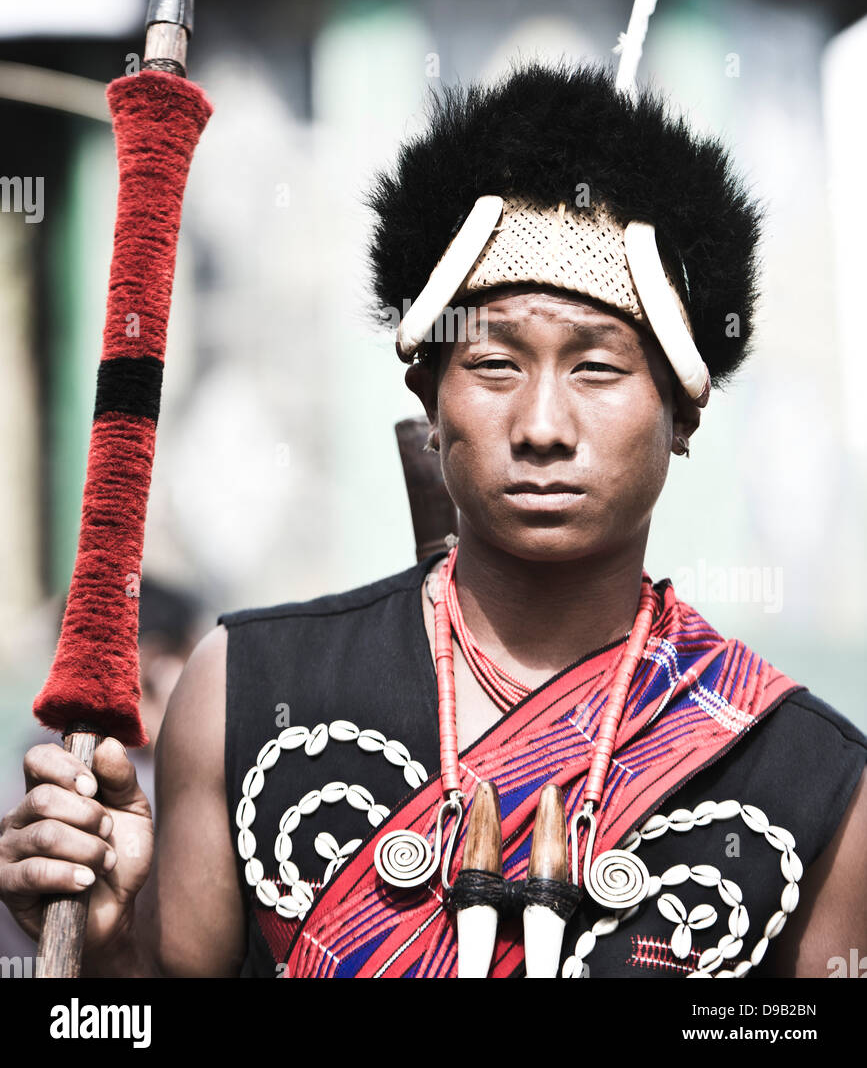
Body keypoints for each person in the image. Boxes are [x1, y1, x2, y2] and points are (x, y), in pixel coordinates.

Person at [1, 60, 865, 979]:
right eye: (494, 364)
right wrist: (101, 954)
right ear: (429, 393)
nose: (540, 427)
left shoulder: (806, 777)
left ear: (681, 413)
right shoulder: (244, 690)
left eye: (598, 369)